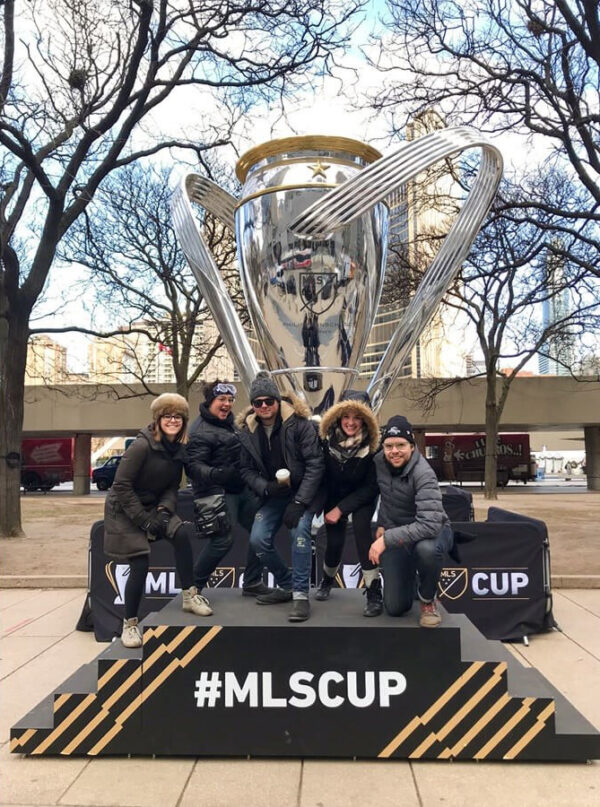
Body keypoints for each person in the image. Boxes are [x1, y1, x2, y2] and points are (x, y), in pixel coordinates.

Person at [104, 393, 207, 649]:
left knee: (181, 535)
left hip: (154, 506)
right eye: (167, 416)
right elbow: (121, 486)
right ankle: (130, 624)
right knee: (140, 560)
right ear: (158, 419)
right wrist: (144, 520)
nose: (173, 421)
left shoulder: (179, 449)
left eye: (178, 417)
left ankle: (189, 595)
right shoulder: (141, 446)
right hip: (125, 509)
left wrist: (163, 511)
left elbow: (172, 486)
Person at [238, 371, 324, 622]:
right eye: (258, 402)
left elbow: (315, 465)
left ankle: (300, 596)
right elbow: (245, 469)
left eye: (269, 401)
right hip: (272, 497)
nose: (264, 406)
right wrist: (265, 487)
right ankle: (287, 584)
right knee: (257, 540)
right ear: (253, 406)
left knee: (299, 536)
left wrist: (300, 502)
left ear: (277, 401)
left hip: (301, 497)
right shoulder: (247, 431)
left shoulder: (300, 424)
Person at [185, 380, 271, 606]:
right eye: (221, 399)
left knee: (261, 531)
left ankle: (252, 581)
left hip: (240, 489)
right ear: (210, 401)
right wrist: (218, 474)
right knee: (222, 541)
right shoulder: (200, 429)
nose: (227, 404)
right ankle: (192, 589)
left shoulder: (232, 425)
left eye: (230, 400)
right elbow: (193, 467)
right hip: (216, 492)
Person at [368, 415, 453, 628]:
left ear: (412, 446)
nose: (394, 451)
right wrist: (382, 523)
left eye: (400, 445)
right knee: (396, 608)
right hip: (397, 531)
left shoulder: (424, 474)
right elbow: (387, 495)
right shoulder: (379, 462)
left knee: (427, 551)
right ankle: (413, 581)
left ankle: (427, 599)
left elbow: (429, 524)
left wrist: (386, 538)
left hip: (431, 532)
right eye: (389, 446)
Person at [314, 390, 382, 616]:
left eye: (357, 417)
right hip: (335, 493)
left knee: (363, 533)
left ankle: (373, 591)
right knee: (333, 542)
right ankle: (326, 580)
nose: (351, 422)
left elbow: (372, 487)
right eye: (346, 416)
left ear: (366, 419)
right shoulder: (324, 441)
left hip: (362, 495)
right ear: (338, 417)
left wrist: (341, 509)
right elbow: (319, 475)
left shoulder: (374, 447)